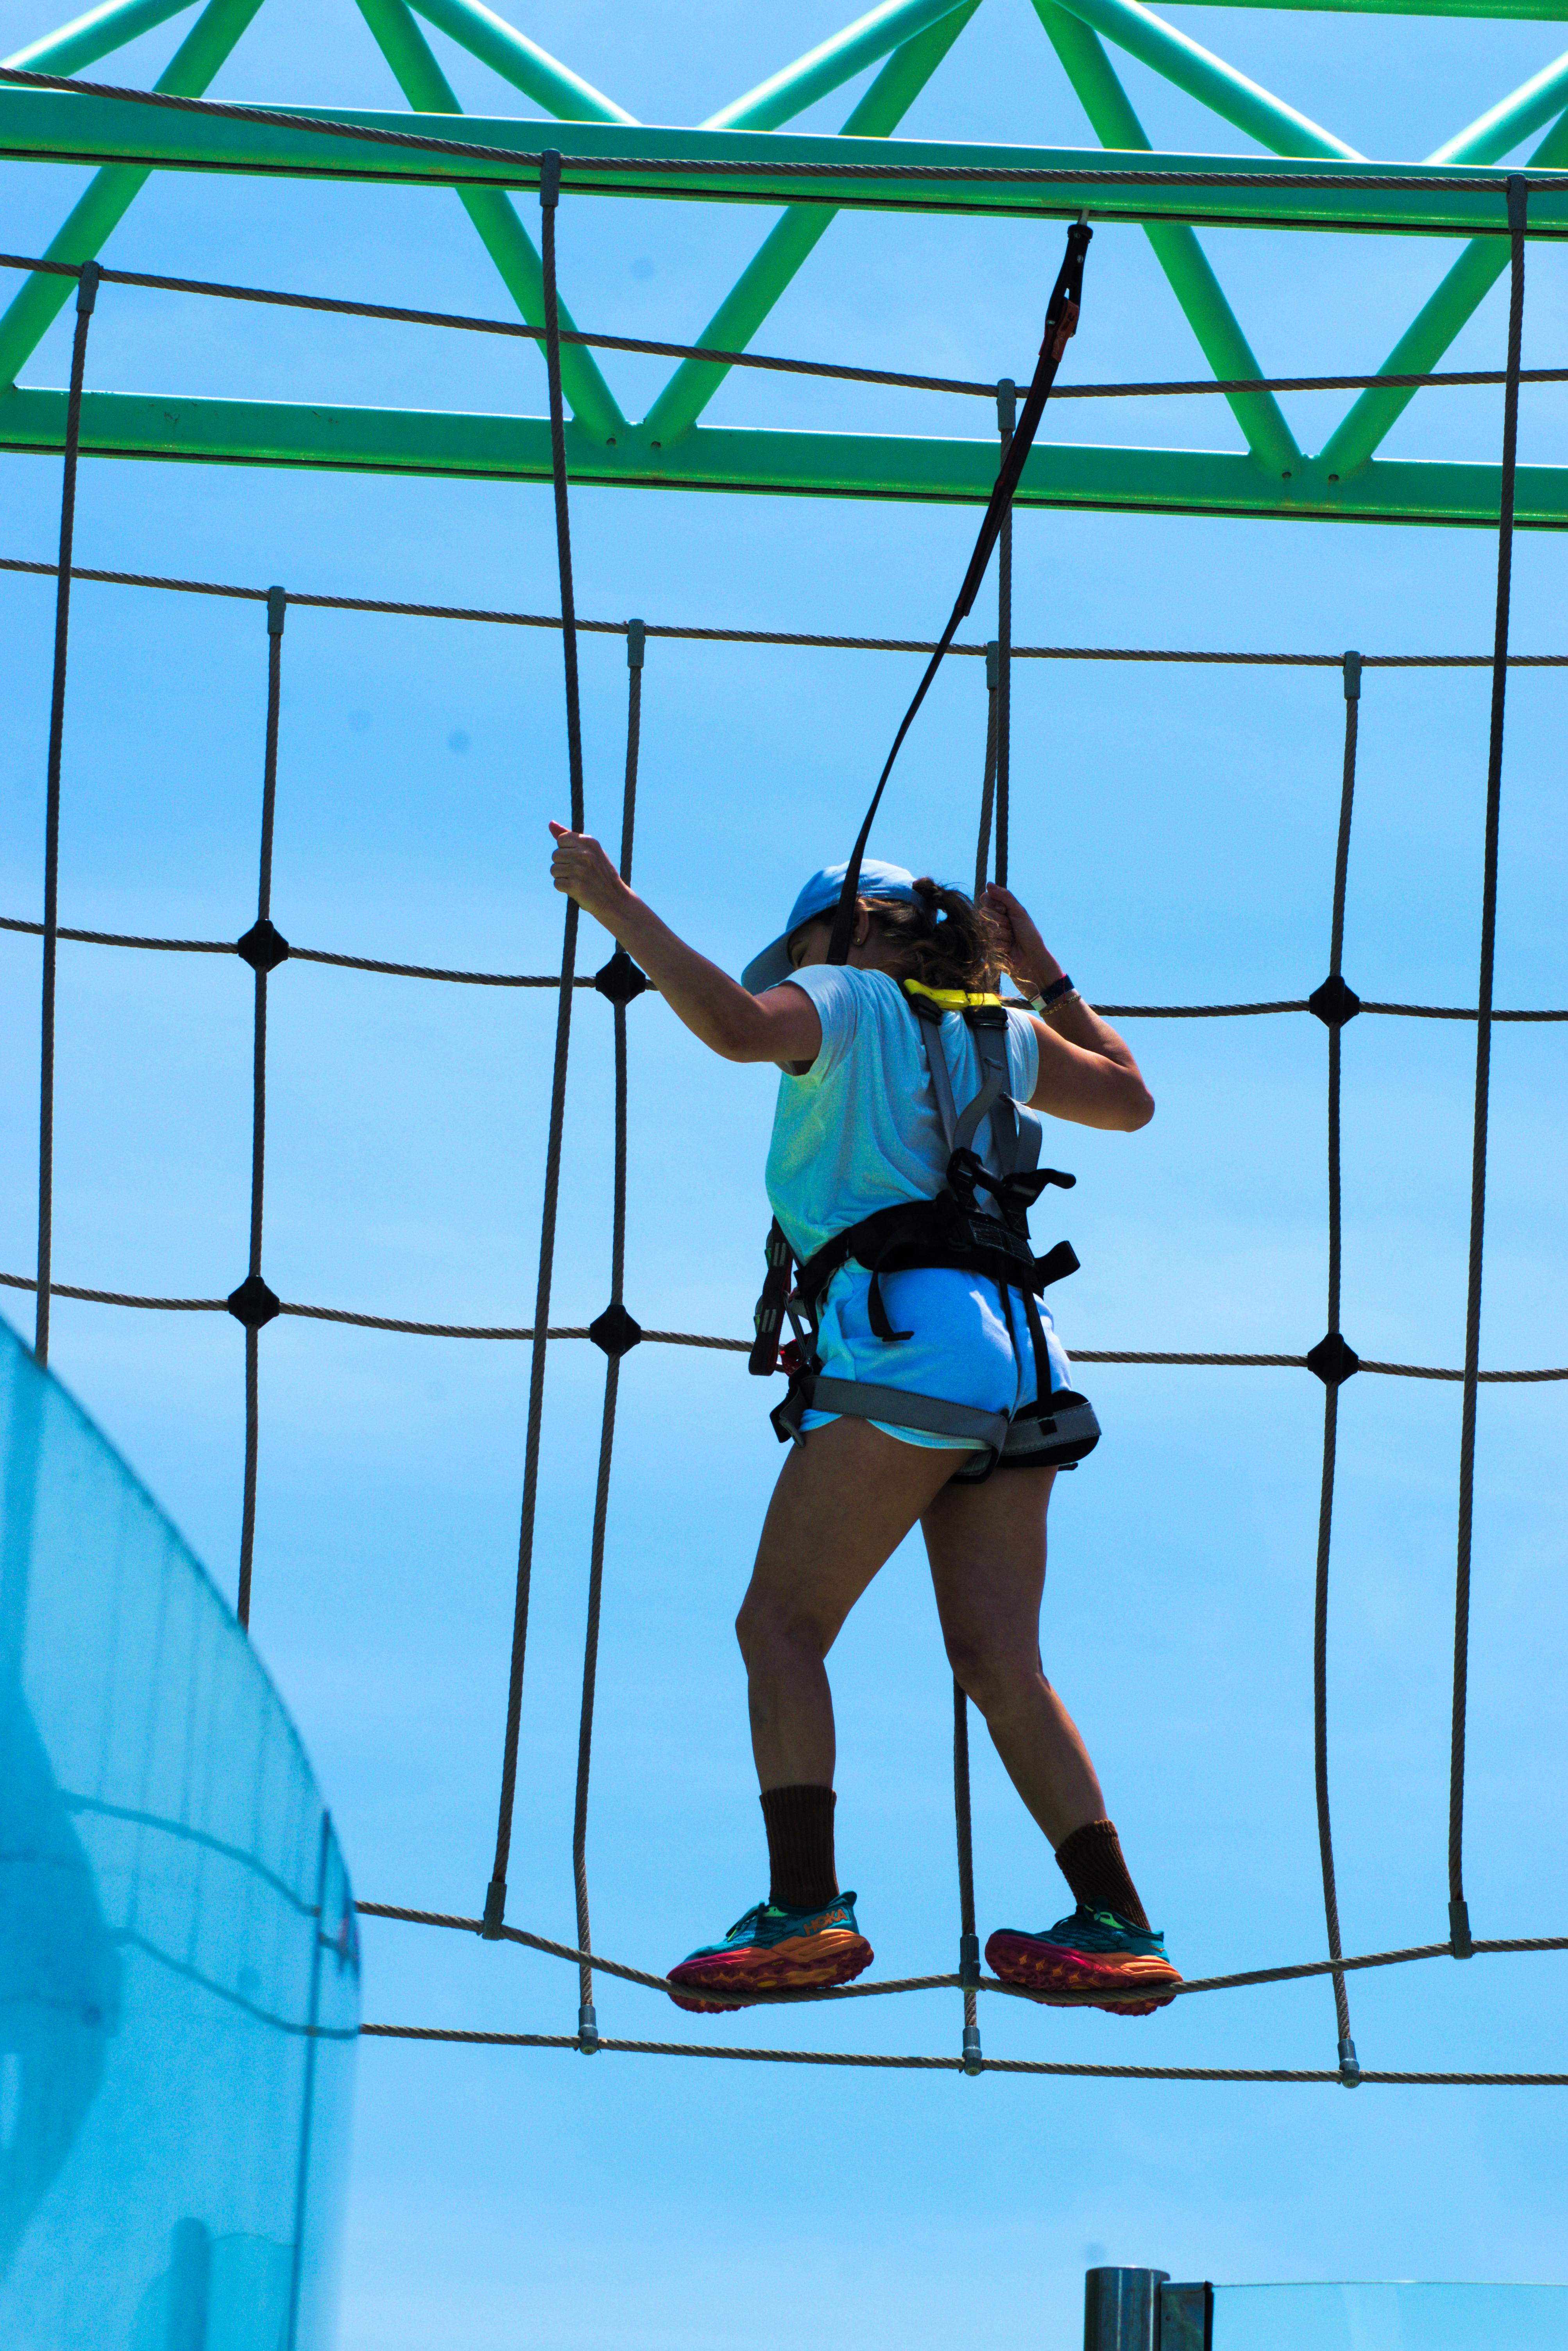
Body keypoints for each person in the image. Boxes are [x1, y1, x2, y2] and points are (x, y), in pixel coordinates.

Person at [548, 825, 1179, 2021]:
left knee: (780, 1624)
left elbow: (737, 1028)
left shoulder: (842, 995)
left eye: (798, 947)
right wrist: (1044, 976)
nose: (792, 969)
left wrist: (614, 904)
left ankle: (804, 1911)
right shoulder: (993, 1029)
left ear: (849, 934)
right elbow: (1130, 1102)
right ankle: (1118, 1926)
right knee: (1000, 1662)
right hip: (1022, 1355)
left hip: (908, 1344)